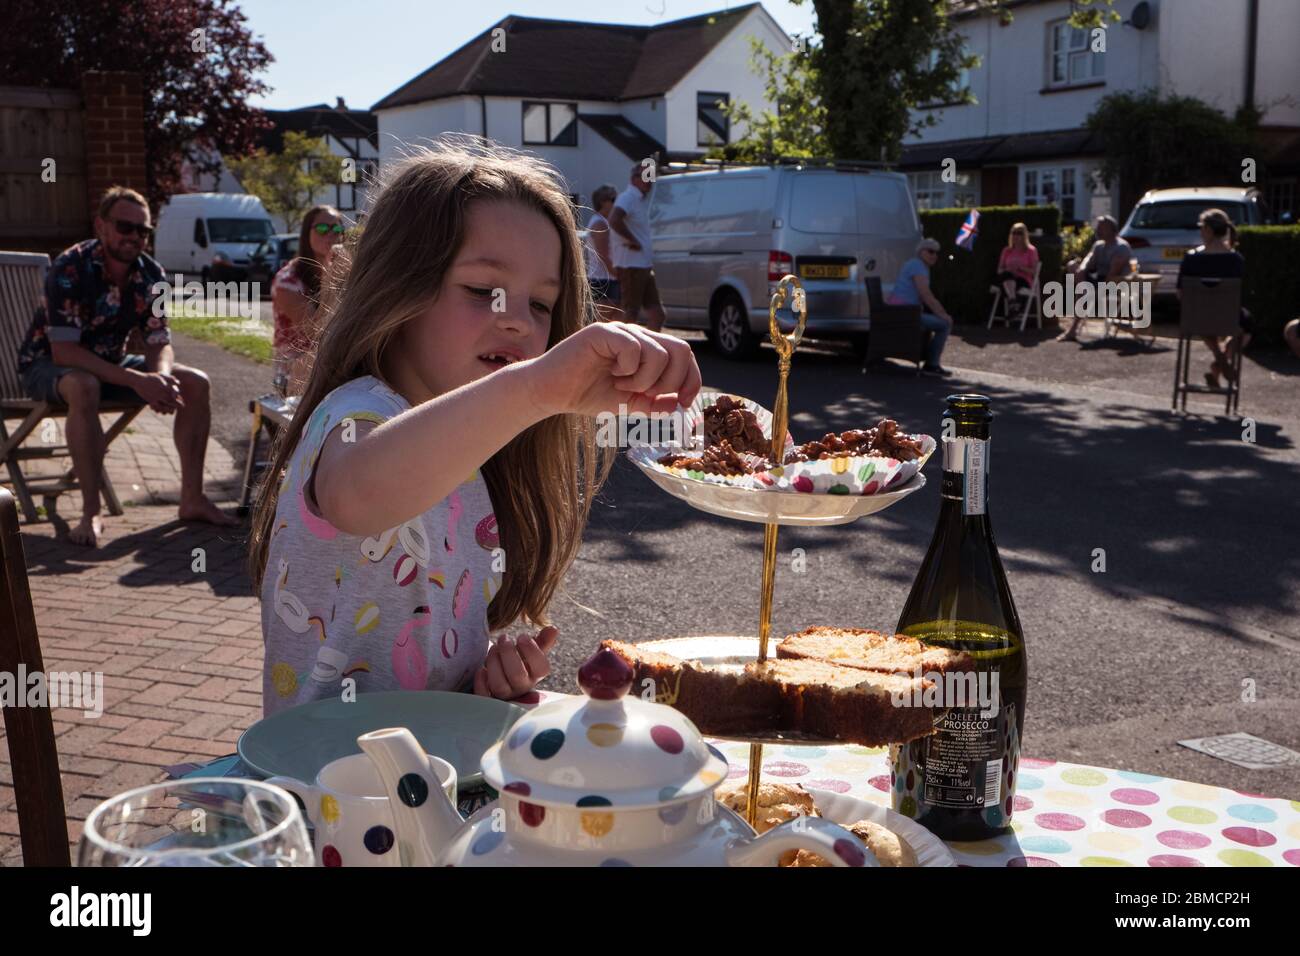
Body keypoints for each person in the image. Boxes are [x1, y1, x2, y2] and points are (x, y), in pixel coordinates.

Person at [247, 141, 701, 715]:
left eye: (541, 304)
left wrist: (480, 673)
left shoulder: (472, 444)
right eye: (484, 291)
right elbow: (358, 494)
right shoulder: (356, 412)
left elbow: (416, 629)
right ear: (398, 287)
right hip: (330, 792)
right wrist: (534, 388)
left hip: (428, 789)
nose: (515, 318)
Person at [14, 185, 239, 546]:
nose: (134, 237)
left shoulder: (152, 274)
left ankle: (192, 499)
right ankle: (91, 512)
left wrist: (160, 379)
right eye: (125, 227)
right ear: (101, 226)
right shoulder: (71, 267)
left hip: (110, 364)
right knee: (84, 385)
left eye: (143, 231)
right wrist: (137, 380)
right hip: (47, 366)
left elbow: (158, 340)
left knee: (195, 382)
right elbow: (65, 353)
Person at [271, 204, 344, 395]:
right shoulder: (287, 281)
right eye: (321, 228)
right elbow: (315, 331)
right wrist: (332, 282)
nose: (330, 234)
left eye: (336, 228)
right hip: (297, 373)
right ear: (306, 233)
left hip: (333, 366)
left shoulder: (343, 273)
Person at [1176, 208, 1251, 390]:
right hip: (1228, 318)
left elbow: (1180, 294)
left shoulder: (1191, 259)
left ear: (1208, 230)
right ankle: (1221, 361)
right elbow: (1242, 293)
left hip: (1195, 319)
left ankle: (1218, 358)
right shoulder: (1236, 260)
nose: (1200, 232)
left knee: (1201, 313)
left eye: (1201, 228)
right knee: (1246, 325)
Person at [608, 162, 666, 332]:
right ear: (634, 179)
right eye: (645, 177)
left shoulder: (638, 199)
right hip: (631, 265)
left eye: (651, 177)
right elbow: (614, 219)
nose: (649, 181)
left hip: (642, 264)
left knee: (657, 314)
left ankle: (649, 351)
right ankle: (625, 352)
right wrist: (632, 240)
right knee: (630, 313)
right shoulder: (628, 197)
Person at [1056, 215, 1133, 342]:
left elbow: (1112, 275)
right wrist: (1081, 269)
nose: (1098, 230)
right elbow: (1088, 260)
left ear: (1111, 229)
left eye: (1101, 228)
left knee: (1084, 292)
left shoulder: (1121, 247)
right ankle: (1083, 299)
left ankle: (1073, 328)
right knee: (1072, 266)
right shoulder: (1099, 245)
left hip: (1115, 284)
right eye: (1098, 228)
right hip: (1098, 280)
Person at [887, 238, 954, 376]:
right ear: (921, 251)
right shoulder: (918, 266)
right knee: (944, 324)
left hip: (901, 311)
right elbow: (926, 295)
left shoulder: (917, 265)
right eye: (930, 251)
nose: (934, 255)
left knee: (937, 321)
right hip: (905, 313)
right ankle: (931, 365)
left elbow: (924, 297)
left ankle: (929, 361)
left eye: (936, 252)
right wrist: (944, 315)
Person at [584, 184, 621, 321]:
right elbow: (603, 255)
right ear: (603, 202)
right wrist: (619, 275)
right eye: (613, 199)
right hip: (603, 279)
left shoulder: (604, 222)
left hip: (606, 278)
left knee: (612, 319)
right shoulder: (600, 223)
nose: (616, 203)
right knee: (603, 321)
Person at [995, 222, 1040, 318]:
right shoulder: (1007, 250)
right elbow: (999, 270)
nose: (1016, 236)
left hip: (1023, 280)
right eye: (1014, 233)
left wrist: (1020, 268)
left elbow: (1035, 272)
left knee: (1009, 281)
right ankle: (1013, 302)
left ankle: (1013, 303)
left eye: (1019, 233)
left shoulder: (1031, 251)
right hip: (1007, 279)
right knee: (1006, 275)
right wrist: (1008, 269)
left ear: (1024, 235)